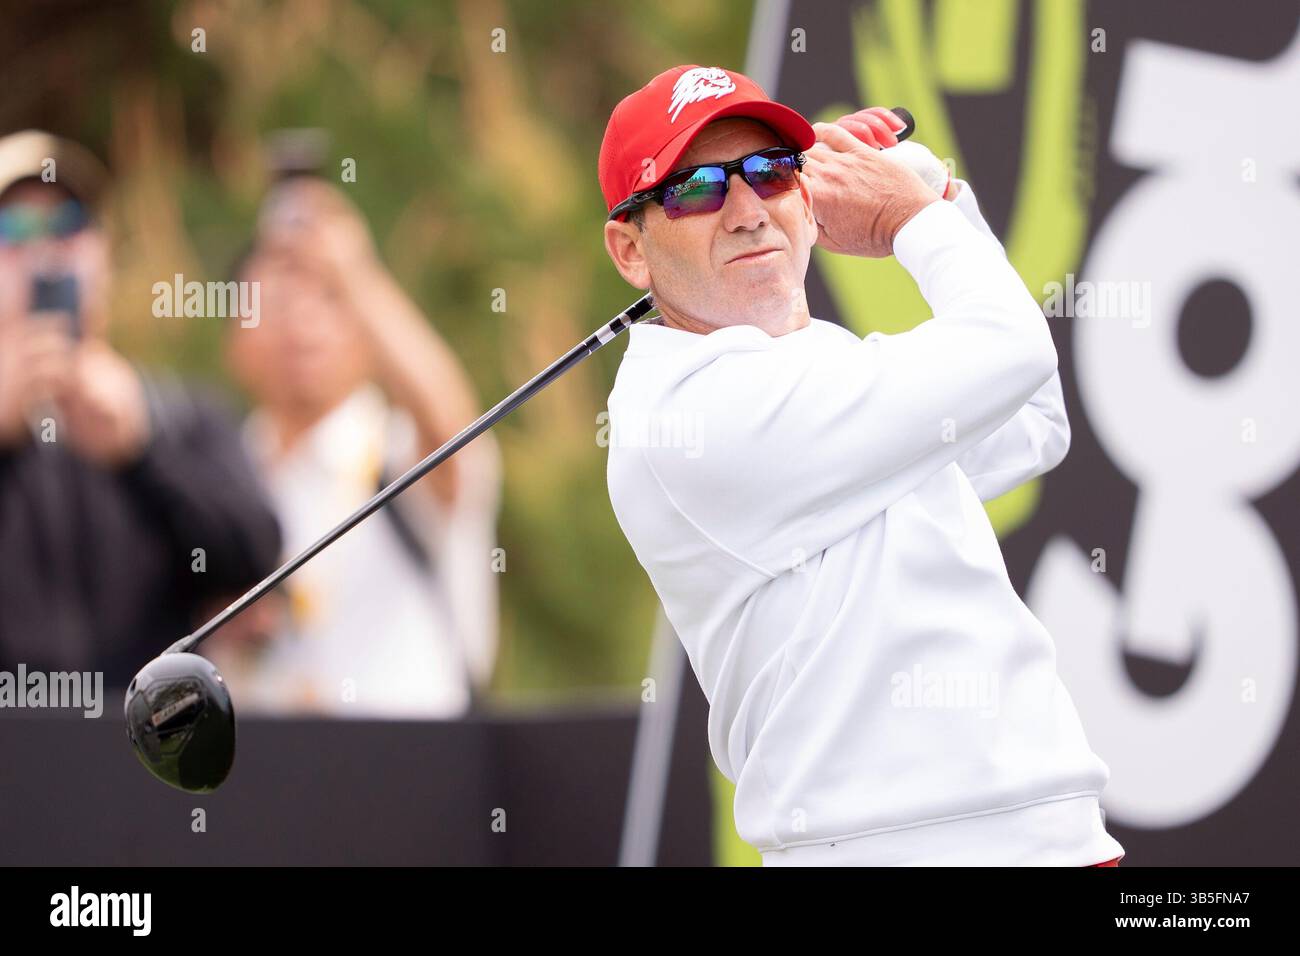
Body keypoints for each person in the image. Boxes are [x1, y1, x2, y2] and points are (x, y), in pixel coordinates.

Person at [599, 65, 1124, 866]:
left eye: (771, 172)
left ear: (803, 197)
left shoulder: (820, 366)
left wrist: (939, 199)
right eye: (696, 189)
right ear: (631, 249)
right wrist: (908, 217)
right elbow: (1009, 348)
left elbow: (1032, 420)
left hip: (1051, 841)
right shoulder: (689, 413)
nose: (746, 211)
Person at [211, 177, 501, 718]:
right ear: (233, 338)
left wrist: (356, 273)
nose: (302, 322)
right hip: (264, 781)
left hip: (413, 767)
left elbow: (455, 432)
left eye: (328, 298)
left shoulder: (396, 453)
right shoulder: (221, 475)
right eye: (275, 299)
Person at [0, 130, 281, 686]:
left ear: (103, 252)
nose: (45, 251)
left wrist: (142, 453)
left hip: (142, 756)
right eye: (15, 230)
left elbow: (257, 563)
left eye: (67, 227)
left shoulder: (178, 412)